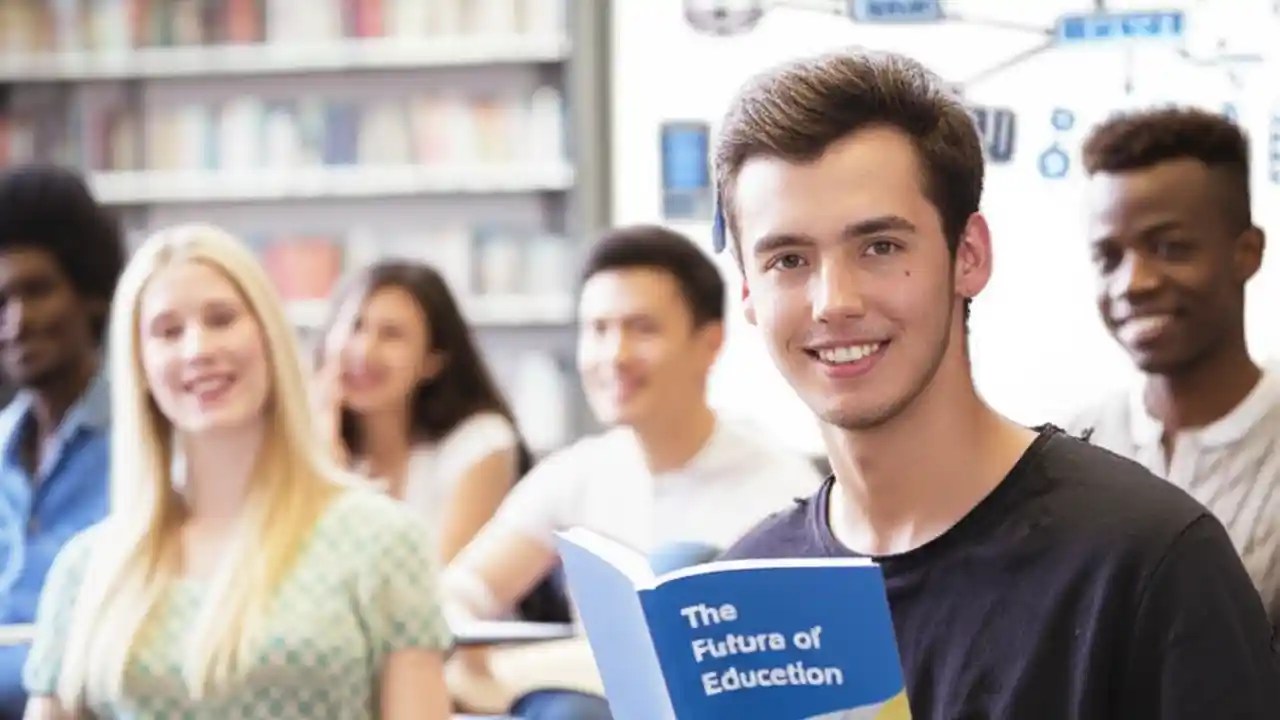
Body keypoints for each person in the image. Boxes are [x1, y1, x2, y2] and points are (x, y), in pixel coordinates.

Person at [710, 48, 1280, 718]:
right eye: (789, 259)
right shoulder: (747, 596)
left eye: (880, 247)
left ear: (969, 256)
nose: (833, 300)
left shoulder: (1145, 563)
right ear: (749, 291)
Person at [21, 223, 453, 719]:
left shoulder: (382, 542)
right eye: (167, 332)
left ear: (269, 337)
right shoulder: (89, 569)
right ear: (140, 367)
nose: (198, 349)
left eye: (221, 319)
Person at [443, 224, 823, 718]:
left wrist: (521, 671)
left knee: (681, 566)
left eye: (642, 329)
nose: (615, 356)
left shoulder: (782, 492)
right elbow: (464, 589)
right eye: (598, 330)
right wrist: (476, 664)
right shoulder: (577, 473)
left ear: (710, 344)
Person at [1065, 107, 1280, 629]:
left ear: (1246, 253)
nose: (1133, 282)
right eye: (1108, 258)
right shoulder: (1072, 449)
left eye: (1169, 248)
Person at [315, 260, 568, 622]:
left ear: (433, 360)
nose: (364, 350)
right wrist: (324, 459)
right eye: (355, 326)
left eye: (391, 335)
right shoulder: (316, 447)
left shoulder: (480, 444)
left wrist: (334, 482)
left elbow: (431, 603)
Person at [0, 165, 123, 719]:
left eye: (37, 290)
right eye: (0, 301)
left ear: (91, 294)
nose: (16, 322)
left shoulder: (150, 449)